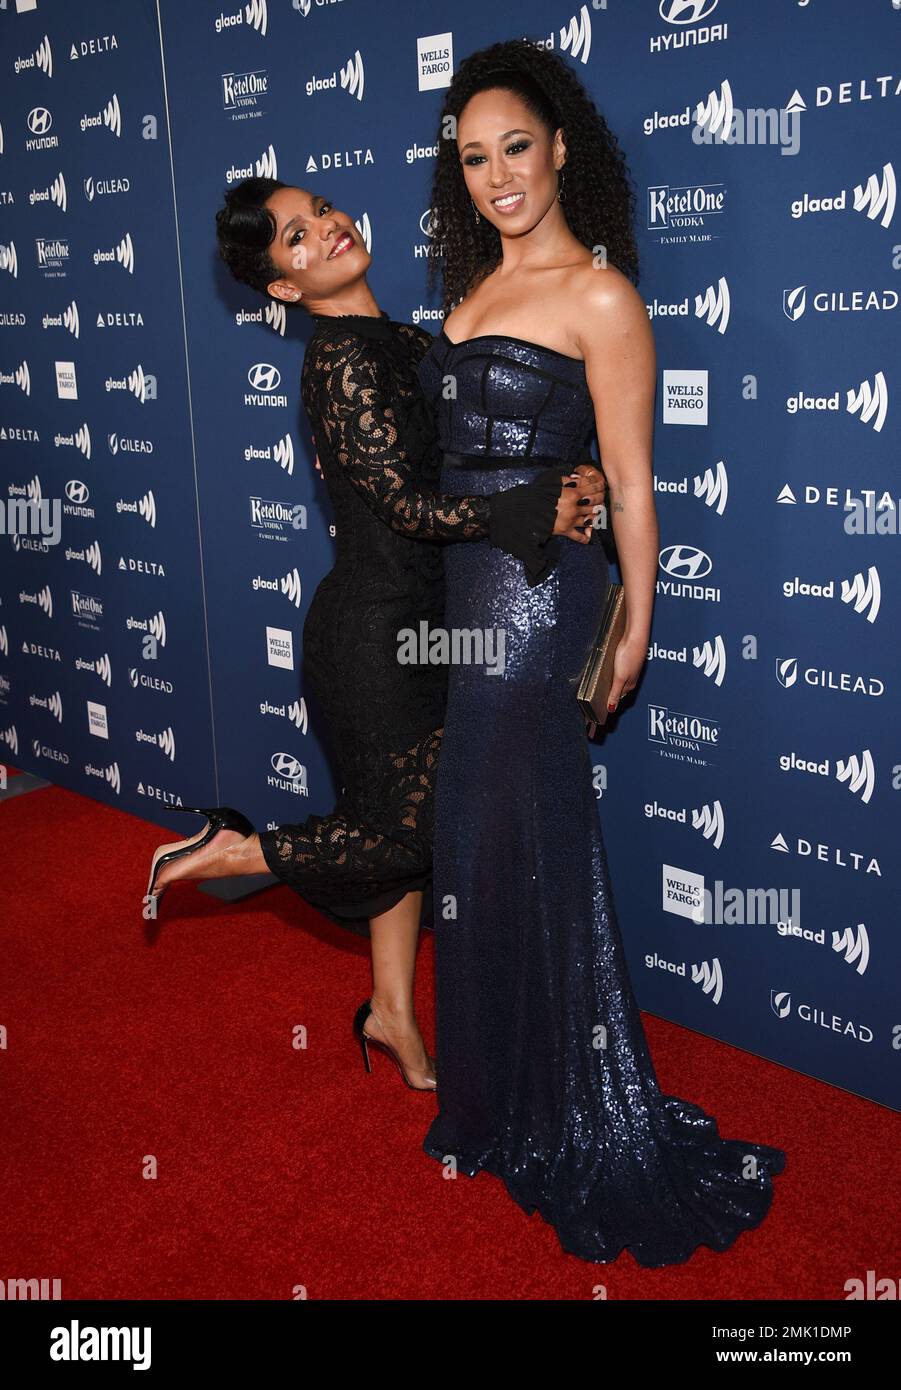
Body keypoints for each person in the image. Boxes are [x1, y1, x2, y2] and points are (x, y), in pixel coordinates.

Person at [415, 39, 786, 1264]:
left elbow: (630, 486)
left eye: (515, 146)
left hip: (541, 606)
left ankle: (563, 1106)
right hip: (463, 597)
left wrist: (634, 627)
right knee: (475, 838)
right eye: (473, 157)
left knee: (518, 832)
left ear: (562, 146)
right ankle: (490, 1098)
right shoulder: (463, 295)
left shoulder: (601, 296)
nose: (497, 175)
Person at [143, 178, 605, 1093]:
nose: (324, 229)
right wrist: (534, 507)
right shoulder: (345, 360)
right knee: (411, 829)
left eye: (319, 213)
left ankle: (390, 1014)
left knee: (401, 832)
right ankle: (233, 851)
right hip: (381, 639)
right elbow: (406, 506)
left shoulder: (399, 339)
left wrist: (555, 465)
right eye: (296, 239)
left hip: (432, 626)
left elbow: (464, 451)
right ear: (283, 288)